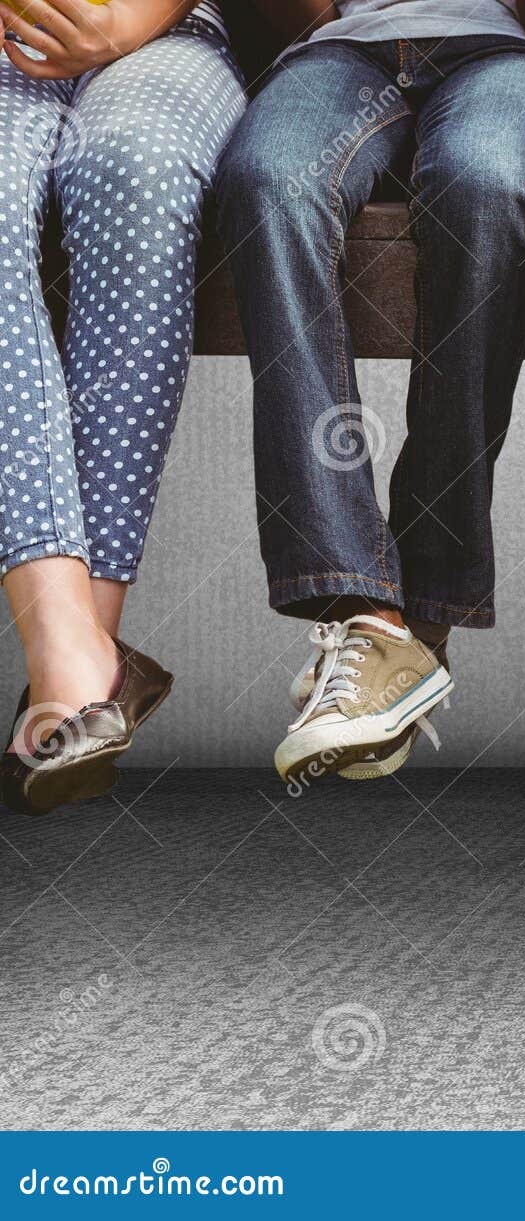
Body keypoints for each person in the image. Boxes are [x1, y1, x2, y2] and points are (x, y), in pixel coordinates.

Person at [215, 0, 525, 786]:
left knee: (486, 184)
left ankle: (424, 610)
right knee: (269, 181)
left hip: (506, 50)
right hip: (345, 48)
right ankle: (364, 609)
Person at [0, 0, 244, 815]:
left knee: (134, 166)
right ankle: (74, 656)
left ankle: (80, 658)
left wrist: (134, 18)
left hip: (167, 32)